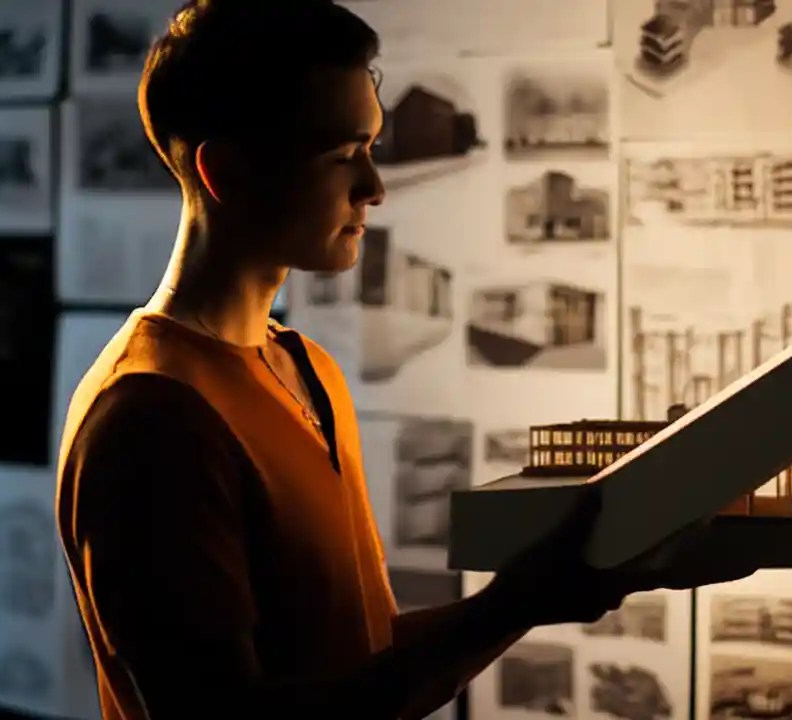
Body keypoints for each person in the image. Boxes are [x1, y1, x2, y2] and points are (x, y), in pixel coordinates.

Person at [54, 2, 756, 719]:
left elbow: (359, 658)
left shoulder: (305, 368)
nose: (374, 187)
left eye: (372, 148)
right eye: (341, 155)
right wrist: (516, 601)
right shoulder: (152, 419)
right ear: (226, 171)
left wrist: (549, 582)